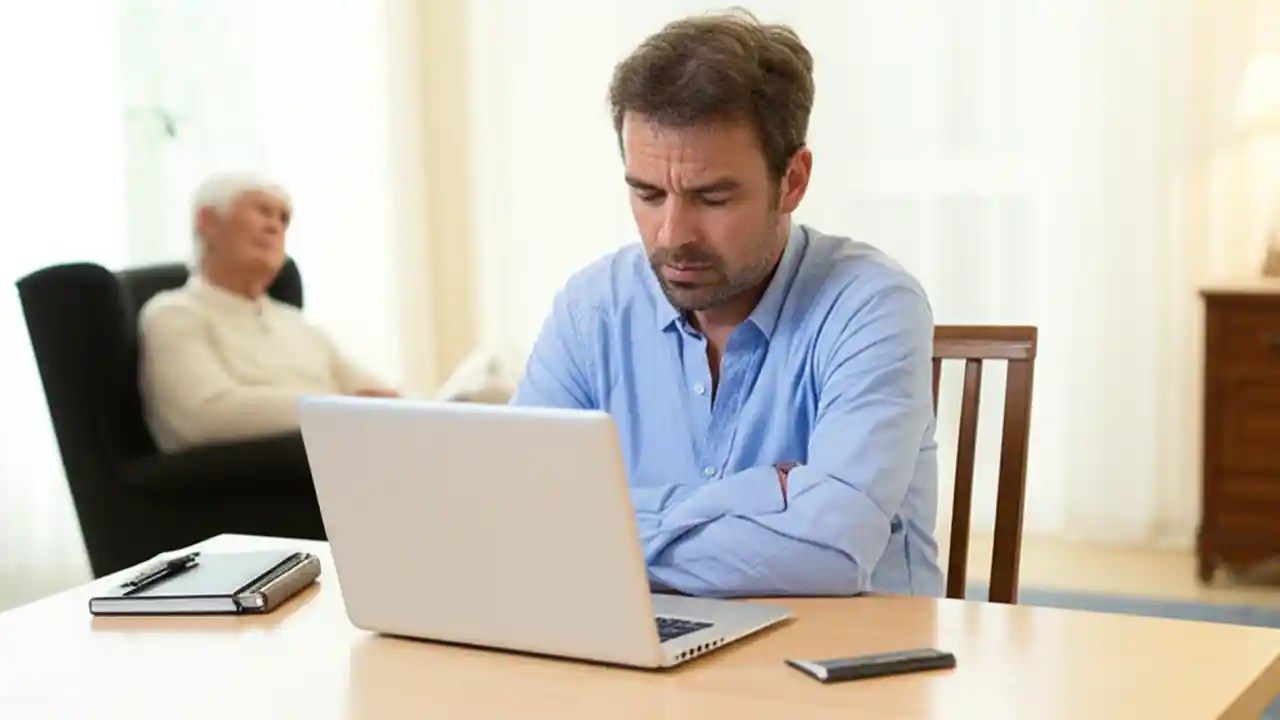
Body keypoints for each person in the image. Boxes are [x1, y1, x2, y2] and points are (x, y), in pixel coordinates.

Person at [512, 11, 941, 597]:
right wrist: (760, 493)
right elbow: (513, 514)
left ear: (792, 181)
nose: (670, 235)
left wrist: (600, 535)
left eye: (712, 197)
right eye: (647, 193)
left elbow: (829, 553)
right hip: (640, 657)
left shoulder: (871, 306)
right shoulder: (594, 309)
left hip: (844, 667)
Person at [139, 173, 396, 453]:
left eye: (283, 219)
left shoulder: (298, 325)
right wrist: (339, 407)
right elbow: (203, 415)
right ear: (207, 221)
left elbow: (377, 396)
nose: (275, 226)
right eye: (262, 211)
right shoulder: (173, 314)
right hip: (248, 482)